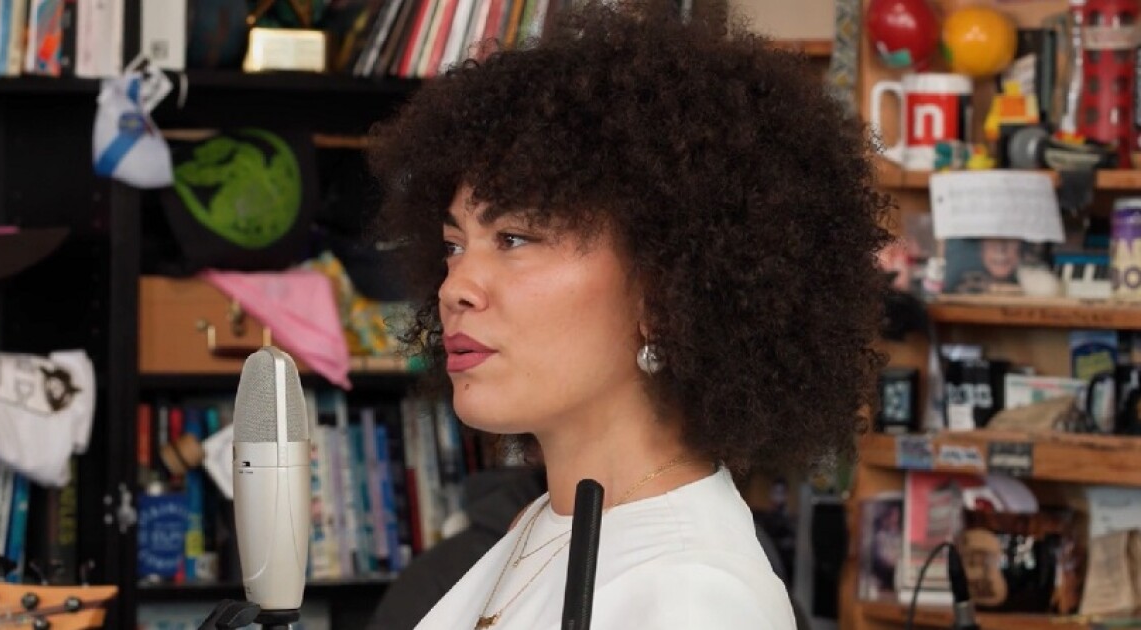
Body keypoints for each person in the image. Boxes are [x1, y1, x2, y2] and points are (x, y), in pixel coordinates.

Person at [365, 0, 891, 626]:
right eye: (454, 246)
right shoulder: (543, 525)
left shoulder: (693, 598)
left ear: (664, 286)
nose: (456, 287)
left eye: (514, 238)